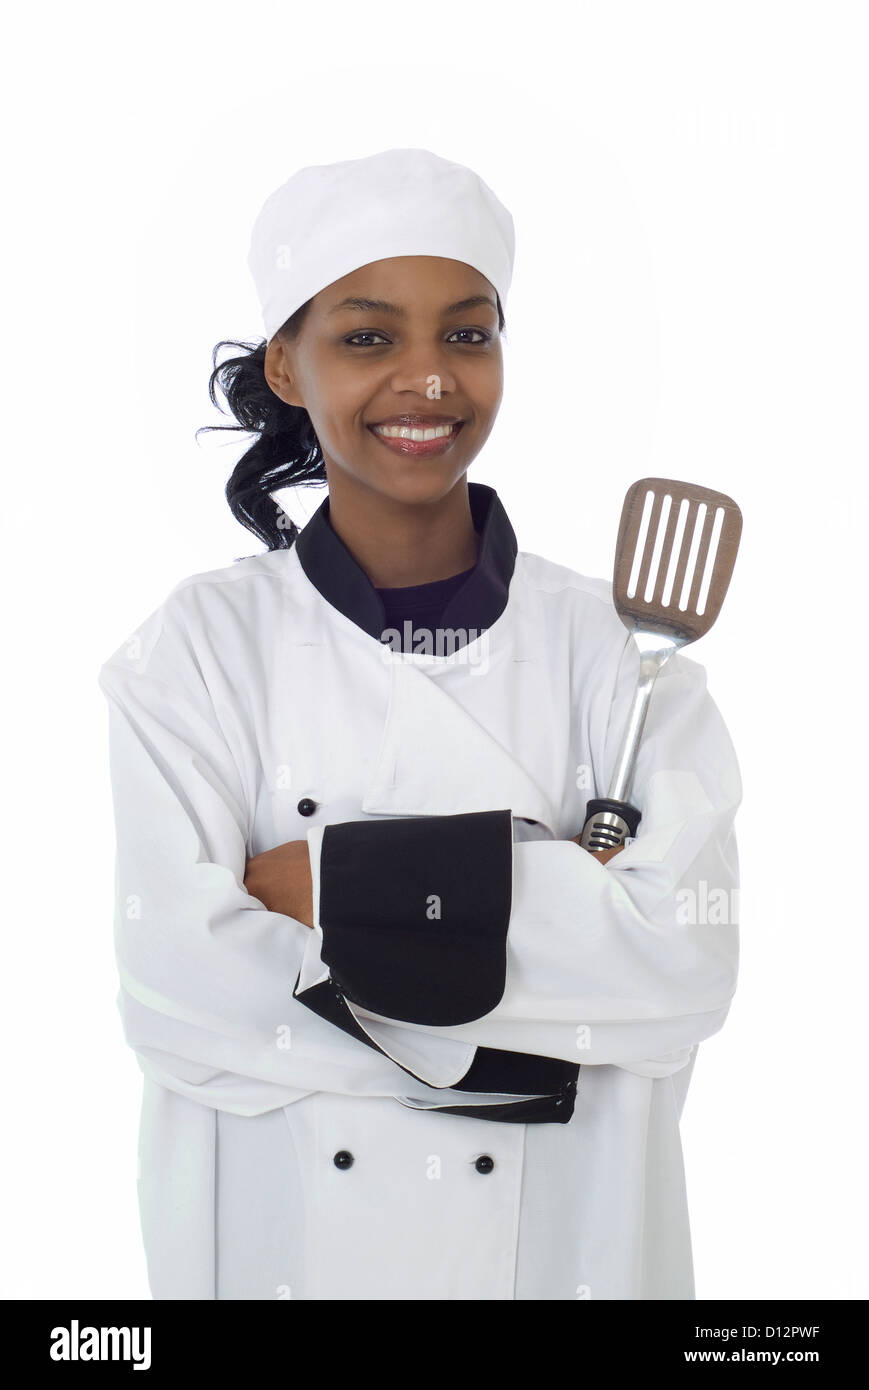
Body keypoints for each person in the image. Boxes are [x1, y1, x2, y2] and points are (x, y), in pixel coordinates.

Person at [97, 147, 741, 1300]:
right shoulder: (194, 653)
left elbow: (680, 972)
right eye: (366, 336)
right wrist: (543, 957)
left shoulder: (622, 651)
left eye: (466, 333)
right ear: (286, 367)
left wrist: (332, 887)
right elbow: (177, 993)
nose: (427, 378)